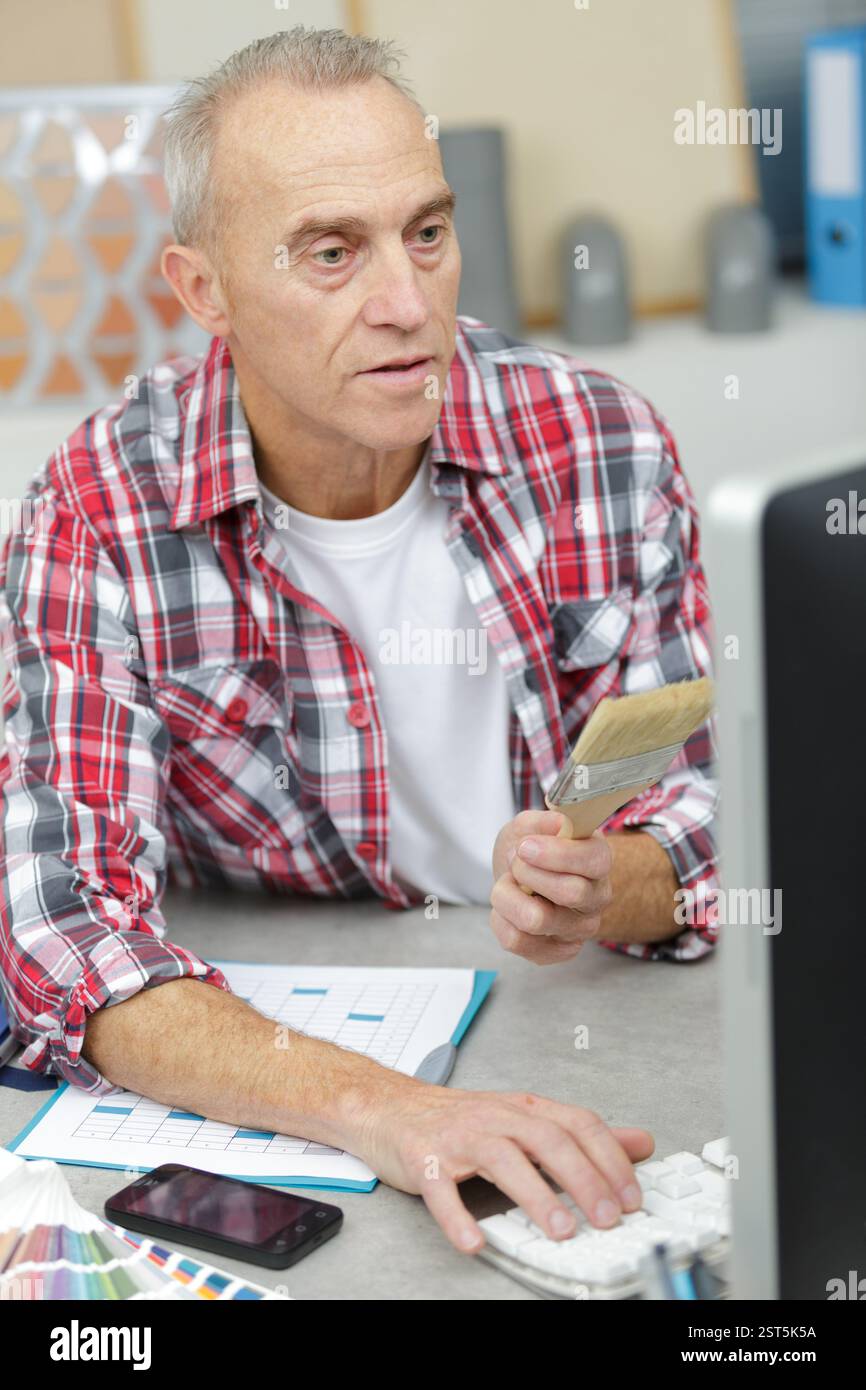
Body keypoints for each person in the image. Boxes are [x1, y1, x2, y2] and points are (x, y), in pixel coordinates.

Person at [0, 27, 718, 1254]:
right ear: (202, 290)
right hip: (320, 1039)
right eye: (330, 252)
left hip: (590, 1018)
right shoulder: (100, 506)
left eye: (425, 234)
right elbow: (57, 928)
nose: (406, 305)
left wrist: (623, 883)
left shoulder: (602, 448)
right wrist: (388, 1112)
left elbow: (721, 805)